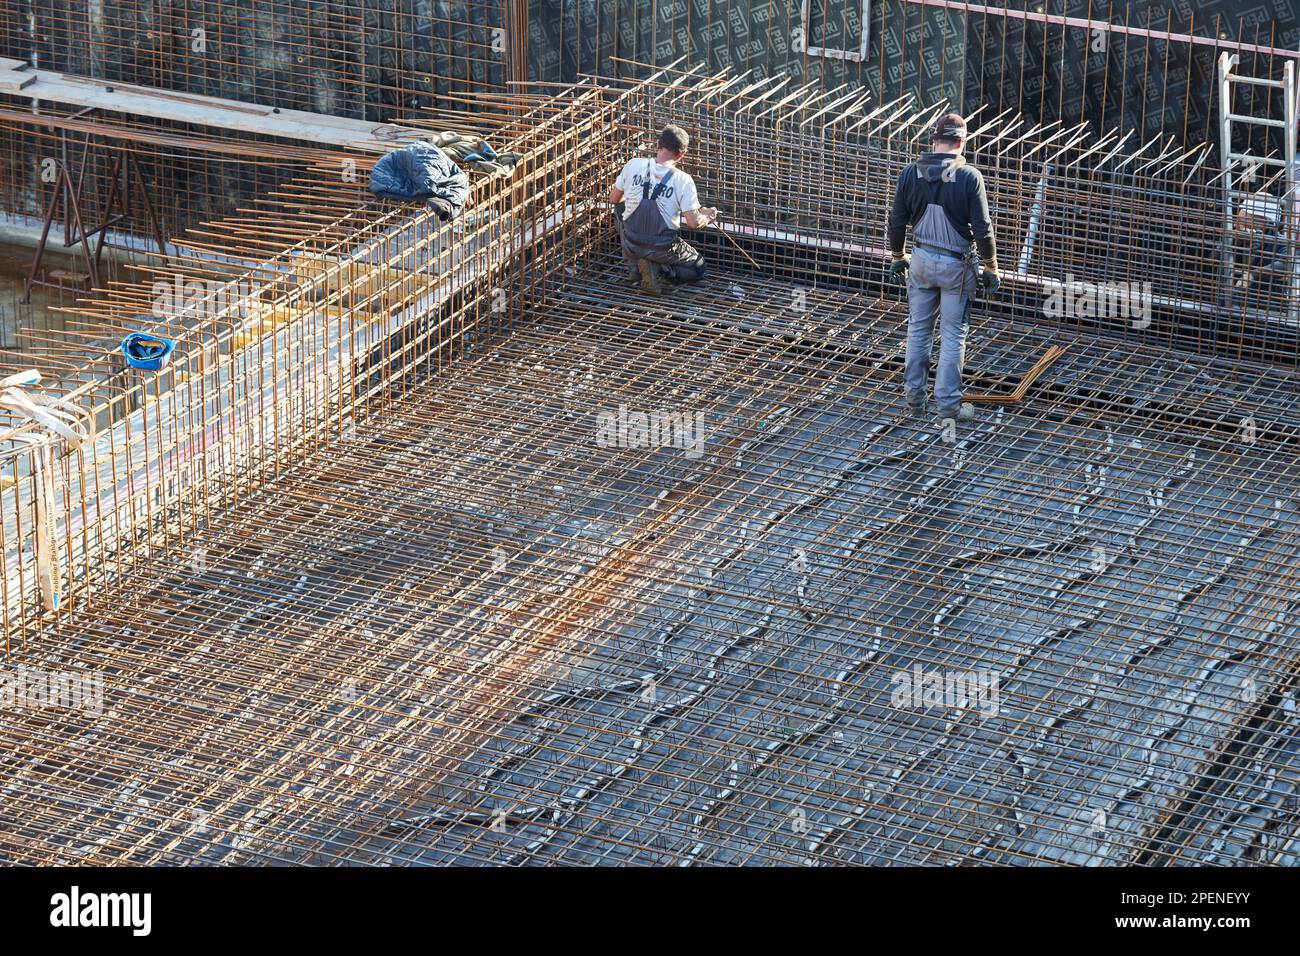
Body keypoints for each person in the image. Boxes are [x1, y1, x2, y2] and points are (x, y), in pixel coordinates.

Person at [886, 113, 1000, 422]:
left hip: (921, 261)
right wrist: (991, 265)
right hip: (956, 267)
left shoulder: (910, 173)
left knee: (918, 329)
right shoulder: (969, 178)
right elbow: (983, 229)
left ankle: (914, 401)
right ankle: (949, 408)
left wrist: (897, 255)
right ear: (962, 142)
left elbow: (896, 221)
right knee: (952, 336)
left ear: (934, 140)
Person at [609, 125, 719, 295]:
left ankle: (634, 266)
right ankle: (657, 267)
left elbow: (613, 198)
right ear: (682, 154)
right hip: (663, 247)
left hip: (631, 241)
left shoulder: (633, 164)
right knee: (698, 267)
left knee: (620, 205)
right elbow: (693, 222)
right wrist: (708, 216)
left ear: (657, 144)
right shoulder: (683, 180)